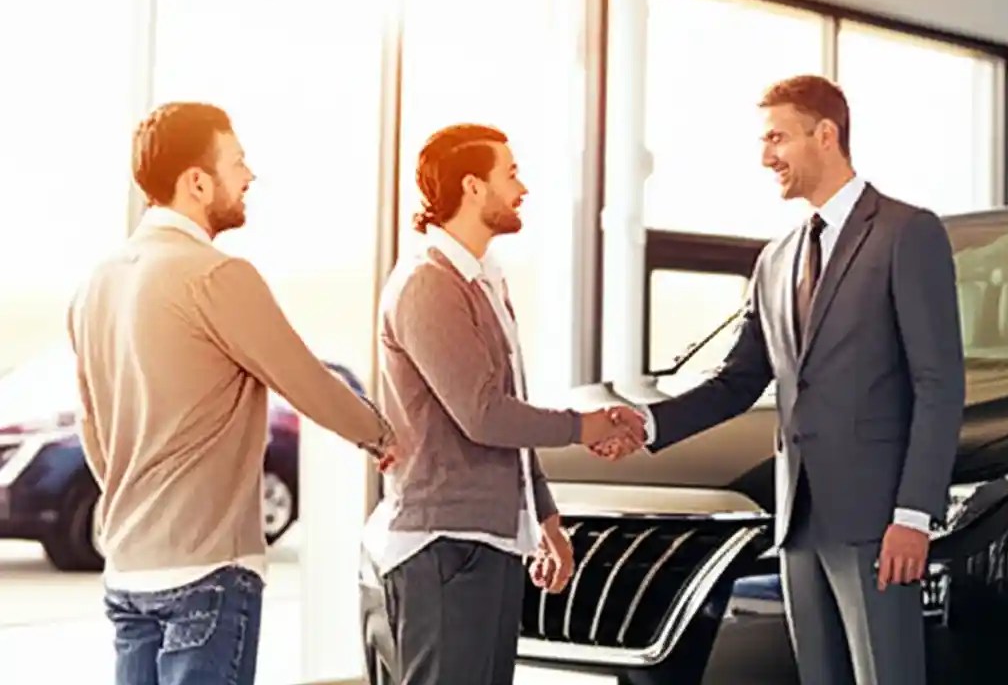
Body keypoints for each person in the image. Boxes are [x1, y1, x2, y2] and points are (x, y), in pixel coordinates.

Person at [605, 75, 964, 684]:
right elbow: (737, 380)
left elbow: (939, 384)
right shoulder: (776, 258)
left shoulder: (907, 232)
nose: (765, 156)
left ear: (825, 135)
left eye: (777, 138)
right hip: (799, 521)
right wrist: (647, 424)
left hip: (877, 520)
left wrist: (914, 515)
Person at [66, 101, 397, 685]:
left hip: (128, 571)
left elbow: (91, 427)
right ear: (197, 181)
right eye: (237, 162)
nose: (249, 176)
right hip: (207, 570)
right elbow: (307, 381)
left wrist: (136, 506)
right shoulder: (217, 275)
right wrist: (385, 437)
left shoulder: (97, 284)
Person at [361, 123, 643, 685]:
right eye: (510, 174)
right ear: (472, 187)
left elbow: (507, 413)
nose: (522, 188)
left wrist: (545, 519)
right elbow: (483, 415)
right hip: (443, 548)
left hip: (485, 543)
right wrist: (586, 426)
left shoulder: (483, 282)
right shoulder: (428, 284)